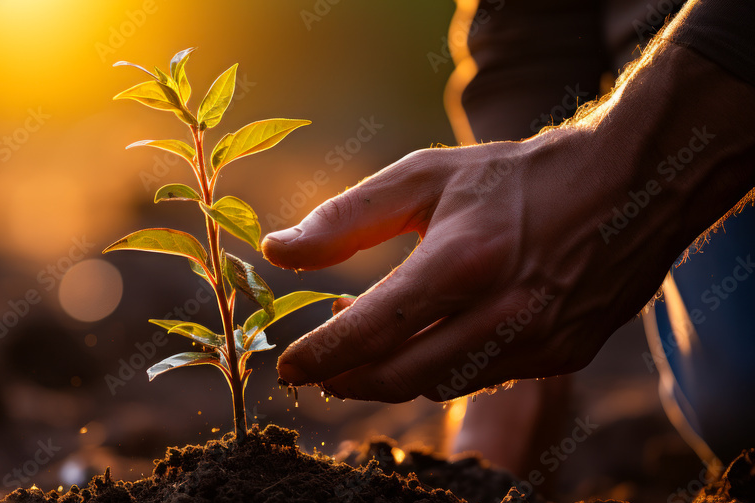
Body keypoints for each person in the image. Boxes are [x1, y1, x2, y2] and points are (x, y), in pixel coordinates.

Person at [261, 0, 755, 470]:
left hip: (713, 51)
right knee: (737, 404)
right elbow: (525, 28)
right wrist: (507, 271)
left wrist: (631, 156)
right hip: (657, 49)